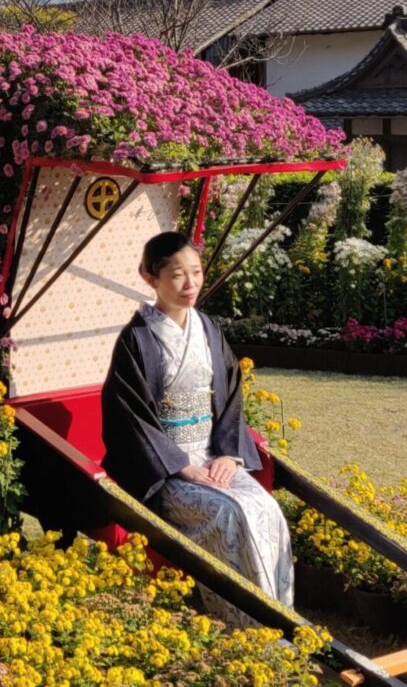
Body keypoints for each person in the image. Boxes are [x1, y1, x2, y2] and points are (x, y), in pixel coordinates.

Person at [101, 230, 294, 625]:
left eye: (196, 272)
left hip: (213, 456)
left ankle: (280, 619)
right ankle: (241, 623)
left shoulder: (208, 330)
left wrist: (227, 453)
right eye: (176, 275)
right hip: (167, 470)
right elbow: (129, 415)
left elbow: (231, 392)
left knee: (266, 508)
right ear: (149, 277)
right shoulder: (136, 339)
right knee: (226, 512)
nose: (190, 284)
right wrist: (177, 465)